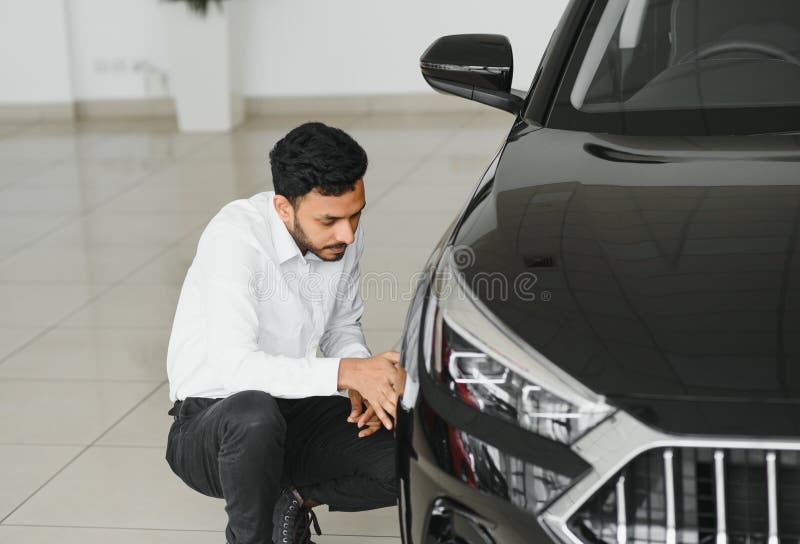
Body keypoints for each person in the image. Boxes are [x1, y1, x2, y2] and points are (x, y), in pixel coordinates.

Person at [164, 122, 406, 544]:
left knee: (416, 447)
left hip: (296, 405)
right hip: (214, 423)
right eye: (330, 220)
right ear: (282, 208)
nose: (347, 234)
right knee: (254, 414)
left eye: (356, 214)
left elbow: (340, 327)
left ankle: (294, 500)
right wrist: (345, 372)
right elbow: (235, 367)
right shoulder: (235, 237)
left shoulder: (342, 234)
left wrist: (365, 382)